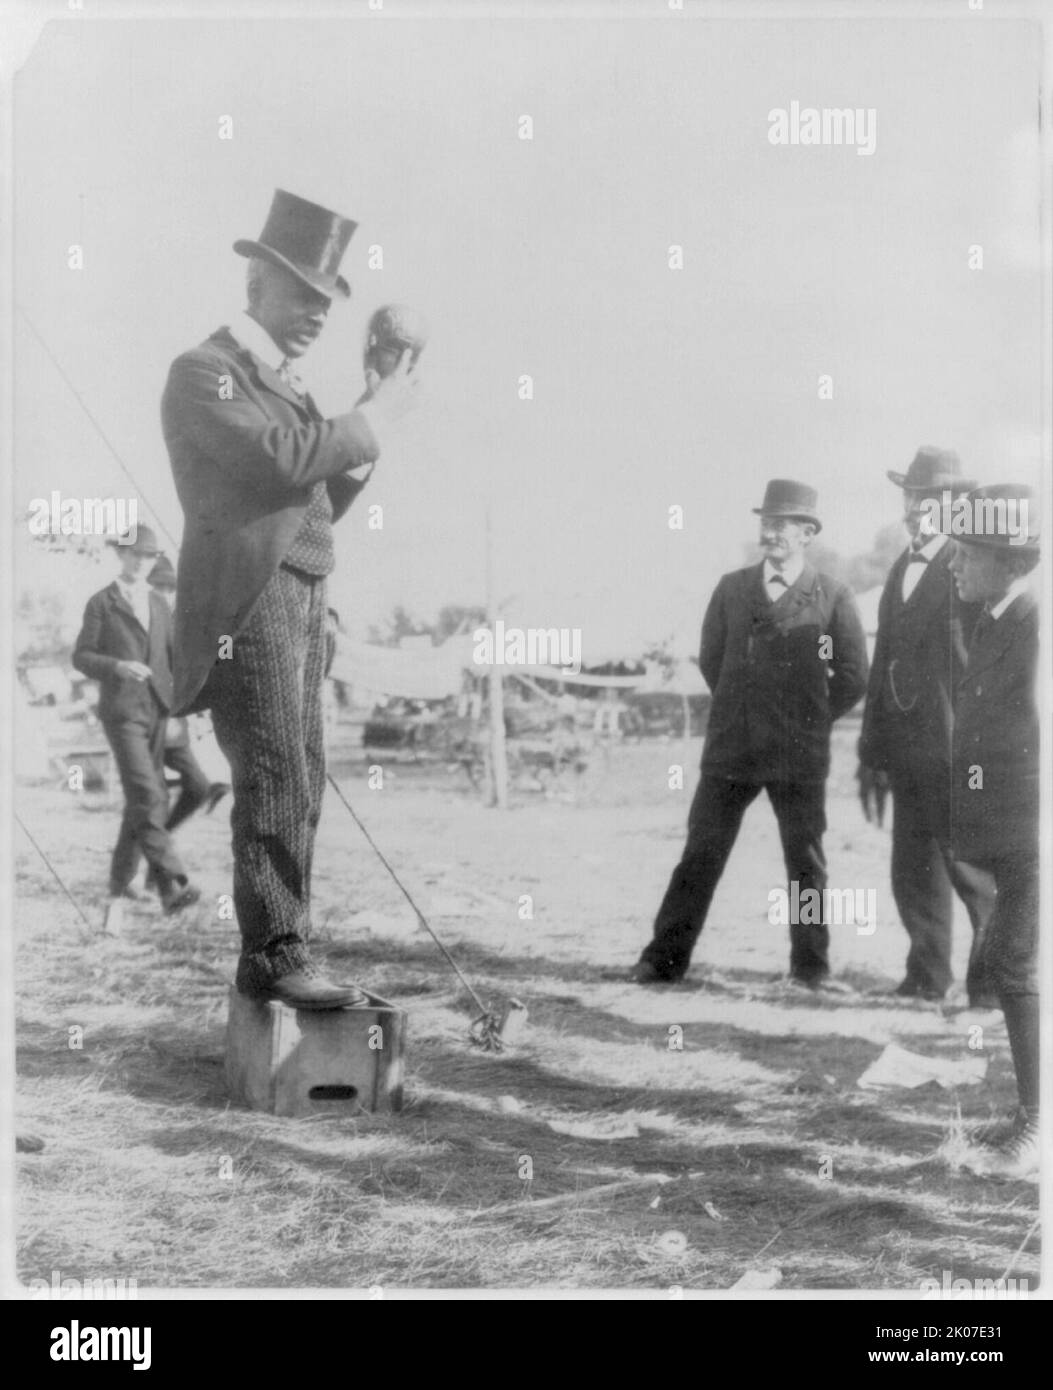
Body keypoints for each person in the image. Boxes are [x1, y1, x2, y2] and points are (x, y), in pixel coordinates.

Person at [161, 189, 418, 1010]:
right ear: (256, 285)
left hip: (305, 596)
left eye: (326, 299)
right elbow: (278, 462)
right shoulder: (207, 372)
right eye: (301, 293)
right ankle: (272, 956)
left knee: (301, 776)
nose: (314, 312)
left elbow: (311, 500)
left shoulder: (286, 386)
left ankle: (284, 946)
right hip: (251, 607)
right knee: (274, 773)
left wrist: (366, 435)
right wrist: (368, 417)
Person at [632, 480, 868, 989]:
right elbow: (712, 659)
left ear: (807, 533)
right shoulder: (732, 588)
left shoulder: (832, 594)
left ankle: (810, 969)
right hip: (732, 750)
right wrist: (744, 707)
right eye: (766, 521)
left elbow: (851, 674)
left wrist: (809, 719)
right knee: (701, 854)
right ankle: (662, 960)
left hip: (798, 754)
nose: (771, 531)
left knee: (806, 865)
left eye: (783, 523)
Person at [857, 448, 996, 1005]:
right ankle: (926, 977)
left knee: (971, 873)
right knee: (913, 870)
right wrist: (871, 750)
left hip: (957, 746)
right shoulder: (899, 568)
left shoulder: (971, 566)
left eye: (929, 500)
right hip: (906, 750)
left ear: (953, 506)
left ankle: (991, 987)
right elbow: (881, 663)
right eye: (911, 498)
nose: (916, 510)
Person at [946, 485, 1040, 1179]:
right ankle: (1031, 1113)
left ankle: (1037, 1124)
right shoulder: (996, 618)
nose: (954, 566)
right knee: (1011, 962)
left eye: (965, 554)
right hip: (1010, 826)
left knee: (1014, 961)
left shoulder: (1032, 628)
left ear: (1004, 562)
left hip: (1032, 828)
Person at [71, 526, 200, 918]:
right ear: (120, 555)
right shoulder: (102, 603)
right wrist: (117, 666)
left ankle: (121, 881)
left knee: (143, 797)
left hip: (159, 710)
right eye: (133, 555)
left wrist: (196, 695)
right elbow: (82, 657)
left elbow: (175, 658)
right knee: (149, 795)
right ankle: (171, 883)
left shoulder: (159, 603)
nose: (140, 562)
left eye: (148, 556)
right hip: (122, 712)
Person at [147, 555, 230, 836]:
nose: (166, 594)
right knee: (150, 799)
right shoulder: (140, 621)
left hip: (175, 721)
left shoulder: (178, 623)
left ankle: (161, 849)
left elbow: (208, 656)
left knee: (199, 785)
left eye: (171, 589)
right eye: (159, 587)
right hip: (145, 719)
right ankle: (153, 866)